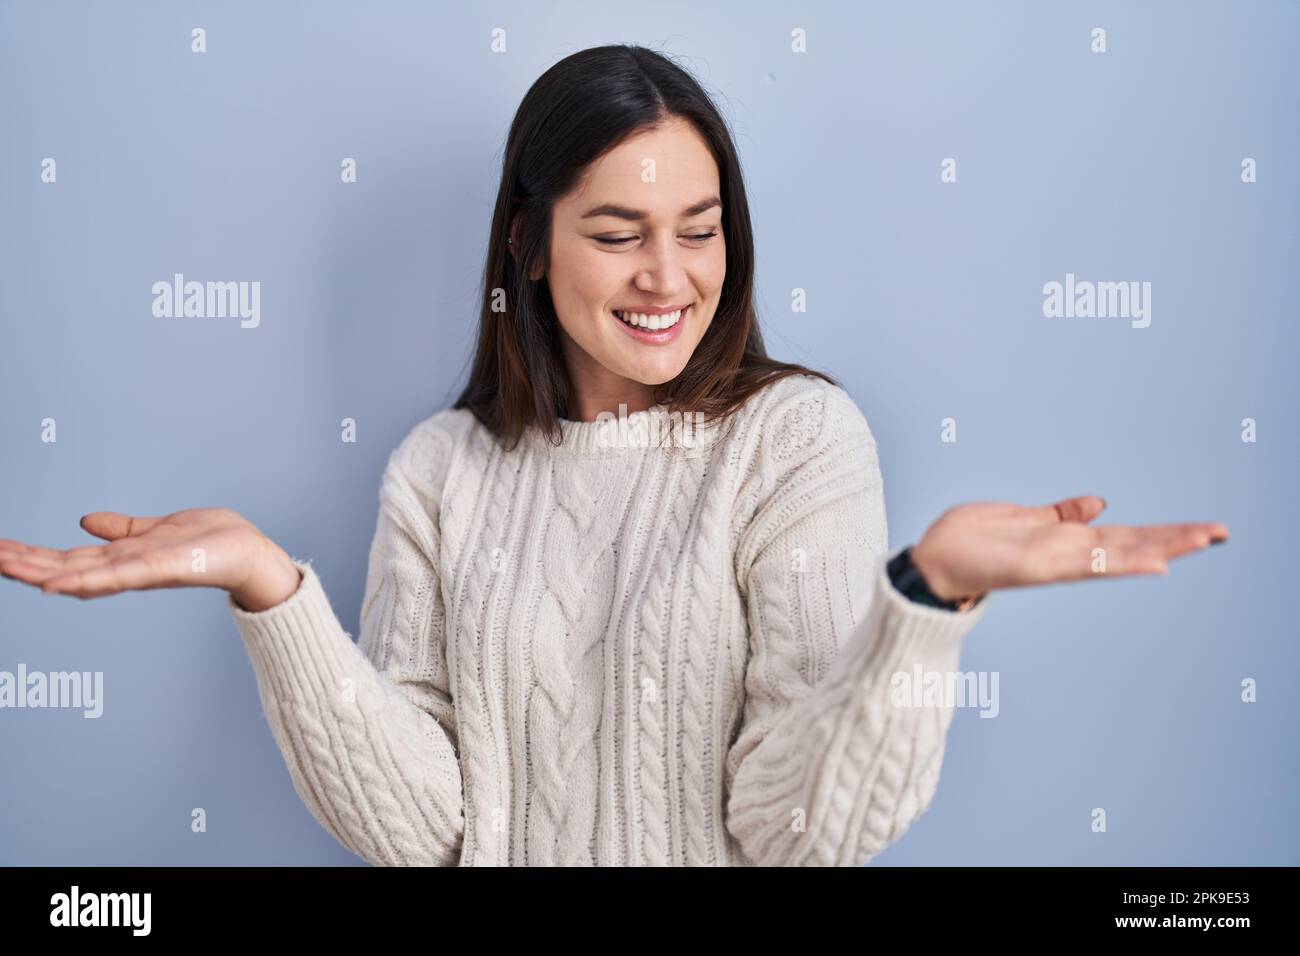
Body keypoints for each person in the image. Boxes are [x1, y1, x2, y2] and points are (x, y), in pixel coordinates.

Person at [0, 44, 1227, 867]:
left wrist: (923, 600)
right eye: (616, 232)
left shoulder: (793, 439)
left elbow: (797, 828)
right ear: (529, 245)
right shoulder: (440, 466)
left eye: (701, 231)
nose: (669, 277)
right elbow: (422, 828)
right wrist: (270, 590)